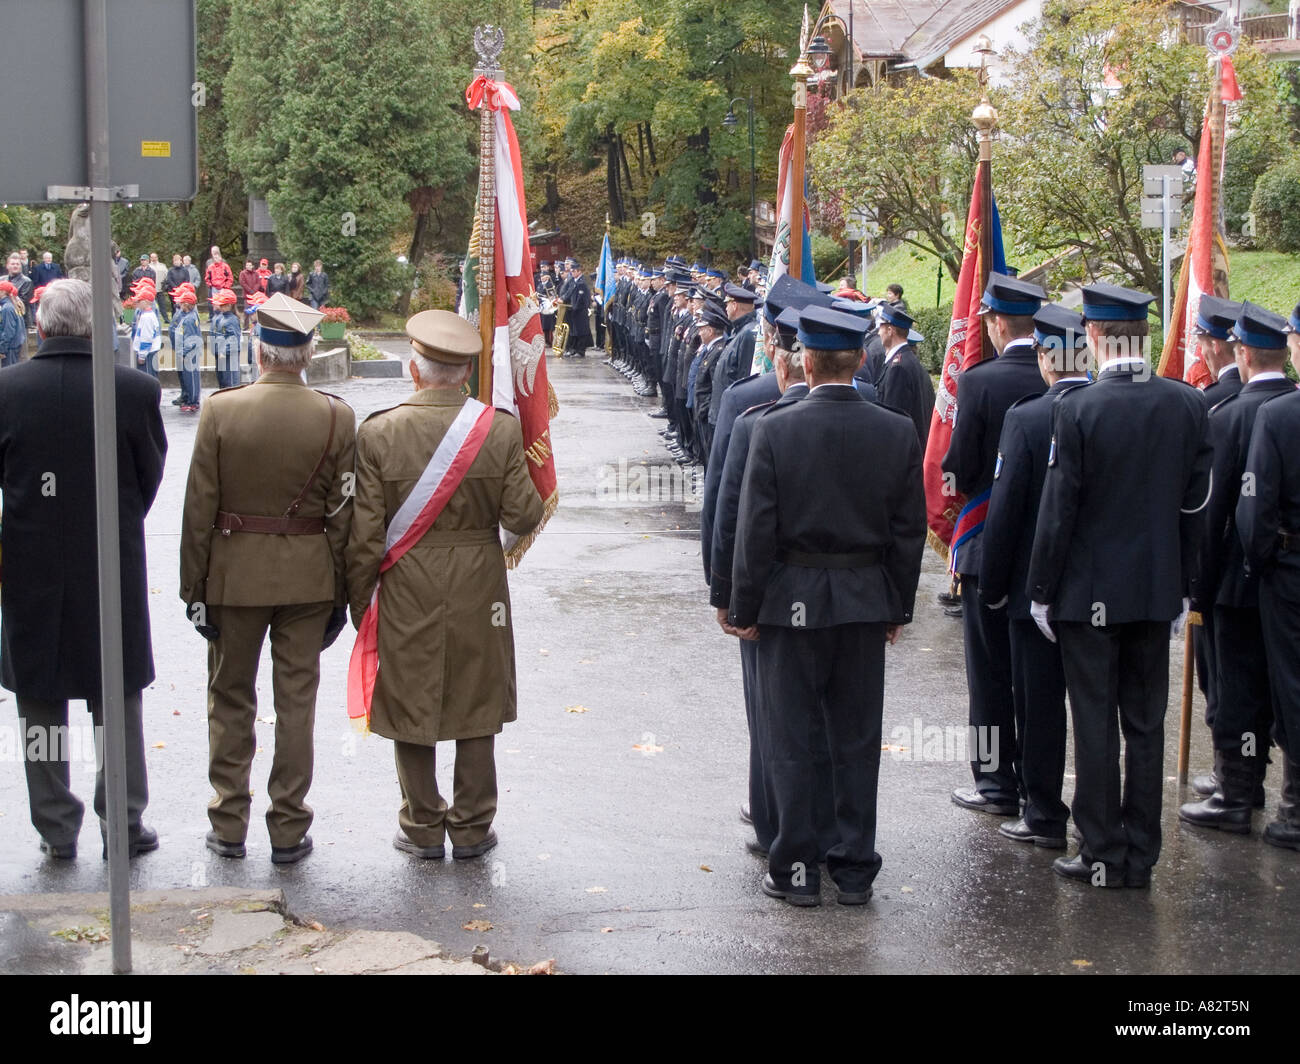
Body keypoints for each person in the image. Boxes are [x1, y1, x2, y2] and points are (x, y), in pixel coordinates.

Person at [730, 304, 926, 906]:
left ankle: (796, 868)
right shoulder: (896, 430)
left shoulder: (773, 428)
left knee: (792, 736)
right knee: (856, 737)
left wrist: (745, 607)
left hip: (790, 601)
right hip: (864, 602)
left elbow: (754, 531)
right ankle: (854, 867)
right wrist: (897, 608)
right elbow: (907, 530)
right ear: (860, 360)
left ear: (804, 361)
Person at [1027, 282, 1212, 888]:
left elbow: (1060, 512)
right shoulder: (1186, 404)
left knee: (1096, 721)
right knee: (1145, 721)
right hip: (1155, 592)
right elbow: (1196, 507)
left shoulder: (1076, 408)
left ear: (1095, 336)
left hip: (1089, 594)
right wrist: (1185, 586)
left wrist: (1041, 590)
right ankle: (1141, 852)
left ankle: (1101, 847)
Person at [345, 309, 543, 860]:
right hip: (480, 581)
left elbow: (364, 534)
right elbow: (525, 515)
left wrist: (360, 600)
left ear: (415, 367)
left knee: (411, 696)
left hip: (407, 580)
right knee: (476, 697)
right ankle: (474, 826)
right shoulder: (499, 428)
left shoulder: (379, 431)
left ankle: (423, 826)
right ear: (462, 372)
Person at [180, 292, 355, 864]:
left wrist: (194, 588)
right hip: (309, 579)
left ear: (259, 350)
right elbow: (343, 512)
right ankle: (288, 826)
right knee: (296, 703)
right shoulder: (336, 415)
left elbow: (198, 509)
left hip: (234, 578)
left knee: (230, 698)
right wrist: (342, 592)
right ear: (307, 354)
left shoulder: (221, 410)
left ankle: (229, 821)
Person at [0, 278, 166, 860]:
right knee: (115, 694)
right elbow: (147, 480)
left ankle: (55, 826)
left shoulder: (7, 389)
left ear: (40, 326)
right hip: (110, 563)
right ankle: (121, 821)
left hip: (29, 567)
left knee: (40, 699)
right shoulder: (135, 389)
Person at [710, 304, 831, 860]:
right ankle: (831, 828)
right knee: (836, 714)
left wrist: (728, 596)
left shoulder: (747, 406)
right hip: (848, 596)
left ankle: (775, 821)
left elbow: (727, 509)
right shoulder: (875, 409)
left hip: (773, 589)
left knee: (771, 712)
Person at [1181, 302, 1296, 833]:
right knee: (1280, 688)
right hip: (1277, 576)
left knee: (1235, 694)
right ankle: (1263, 784)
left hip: (1234, 577)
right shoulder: (1288, 407)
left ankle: (1237, 792)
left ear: (1242, 352)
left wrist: (1197, 589)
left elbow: (1212, 515)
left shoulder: (1227, 417)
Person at [979, 303, 1089, 848]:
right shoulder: (1115, 407)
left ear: (1046, 358)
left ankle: (1044, 813)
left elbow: (1004, 515)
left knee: (1039, 706)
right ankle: (1101, 824)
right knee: (1099, 712)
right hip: (1100, 590)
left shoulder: (1027, 418)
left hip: (1033, 589)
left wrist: (994, 588)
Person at [944, 273, 1049, 819]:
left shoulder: (980, 382)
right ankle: (1038, 785)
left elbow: (958, 467)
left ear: (996, 322)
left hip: (989, 543)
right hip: (1052, 550)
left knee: (989, 674)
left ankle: (995, 783)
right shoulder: (1068, 376)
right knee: (1038, 678)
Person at [1236, 300, 1300, 852]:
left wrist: (1259, 563)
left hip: (1292, 571)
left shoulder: (1278, 417)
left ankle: (1297, 808)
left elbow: (1256, 507)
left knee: (1294, 687)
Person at [1185, 294, 1244, 797]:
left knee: (1225, 680)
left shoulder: (1214, 409)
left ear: (1217, 346)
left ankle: (1234, 781)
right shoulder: (1285, 397)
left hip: (1224, 570)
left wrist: (1195, 584)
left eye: (1201, 341)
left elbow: (1205, 505)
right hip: (1271, 571)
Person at [874, 301, 934, 448]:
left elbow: (893, 422)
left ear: (890, 330)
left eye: (881, 327)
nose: (878, 332)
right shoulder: (909, 361)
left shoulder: (898, 368)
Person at [169, 282, 203, 412]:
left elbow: (190, 338)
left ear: (187, 305)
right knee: (187, 376)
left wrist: (184, 352)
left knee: (192, 377)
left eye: (182, 302)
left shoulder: (189, 318)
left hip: (189, 352)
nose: (179, 304)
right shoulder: (186, 316)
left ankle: (193, 401)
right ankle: (189, 398)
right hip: (184, 350)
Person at [210, 288, 243, 390]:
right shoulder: (223, 318)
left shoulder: (232, 320)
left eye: (222, 304)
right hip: (223, 354)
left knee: (231, 381)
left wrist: (224, 351)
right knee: (224, 380)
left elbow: (233, 340)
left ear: (229, 305)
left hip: (229, 356)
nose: (220, 306)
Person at [129, 281, 162, 377]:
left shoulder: (146, 317)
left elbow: (146, 337)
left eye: (139, 301)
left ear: (146, 302)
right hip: (150, 351)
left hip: (148, 353)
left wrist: (142, 355)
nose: (137, 303)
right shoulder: (148, 315)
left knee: (147, 377)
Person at [563, 260, 592, 358]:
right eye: (571, 271)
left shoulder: (582, 282)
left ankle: (581, 351)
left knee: (581, 331)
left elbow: (584, 298)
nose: (572, 273)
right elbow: (569, 293)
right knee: (575, 331)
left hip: (580, 310)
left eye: (574, 271)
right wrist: (562, 299)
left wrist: (578, 307)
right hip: (574, 310)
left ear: (579, 271)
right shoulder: (574, 281)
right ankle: (574, 349)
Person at [0, 281, 26, 367]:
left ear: (3, 292)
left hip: (10, 348)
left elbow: (8, 331)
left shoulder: (7, 308)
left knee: (9, 375)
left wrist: (2, 349)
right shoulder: (12, 305)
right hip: (15, 345)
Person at [204, 247, 234, 312]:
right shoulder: (210, 266)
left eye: (217, 257)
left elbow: (230, 277)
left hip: (223, 287)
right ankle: (213, 317)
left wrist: (226, 286)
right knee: (214, 303)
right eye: (215, 258)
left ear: (220, 257)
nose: (216, 259)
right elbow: (207, 277)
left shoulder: (225, 266)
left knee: (223, 302)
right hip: (214, 287)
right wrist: (210, 285)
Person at [163, 254, 188, 325]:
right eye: (175, 260)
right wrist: (176, 288)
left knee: (183, 306)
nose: (177, 262)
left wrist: (182, 288)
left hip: (183, 291)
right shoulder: (170, 270)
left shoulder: (185, 270)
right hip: (173, 291)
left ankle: (183, 320)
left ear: (181, 261)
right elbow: (169, 280)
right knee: (174, 306)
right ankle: (174, 321)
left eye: (178, 260)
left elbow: (187, 280)